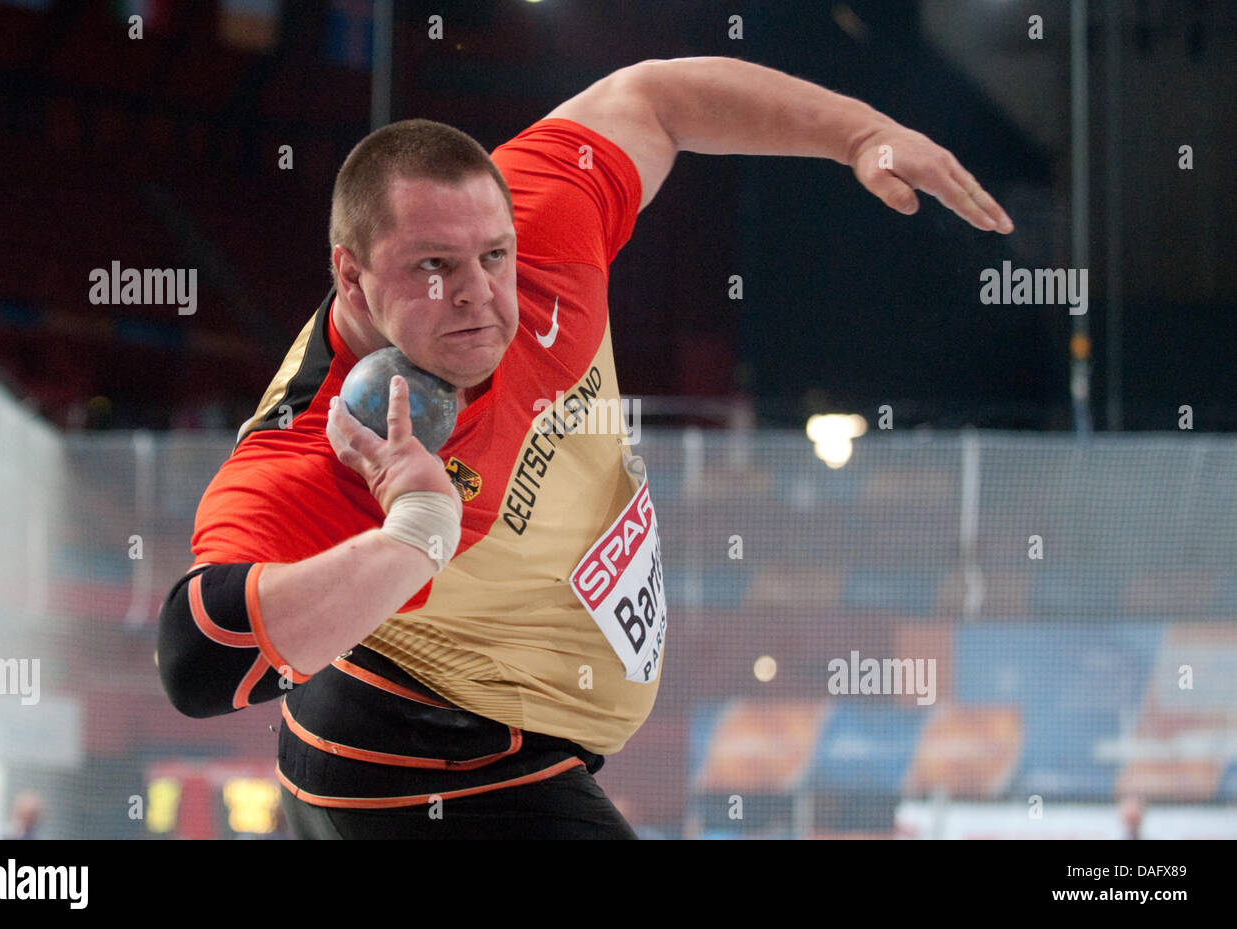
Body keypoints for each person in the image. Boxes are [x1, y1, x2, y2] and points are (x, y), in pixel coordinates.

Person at [157, 56, 1011, 839]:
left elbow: (657, 100)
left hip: (519, 736)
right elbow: (197, 661)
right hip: (409, 752)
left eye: (493, 255)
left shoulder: (545, 219)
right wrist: (414, 533)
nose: (480, 295)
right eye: (433, 267)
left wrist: (859, 134)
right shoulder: (326, 442)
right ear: (351, 277)